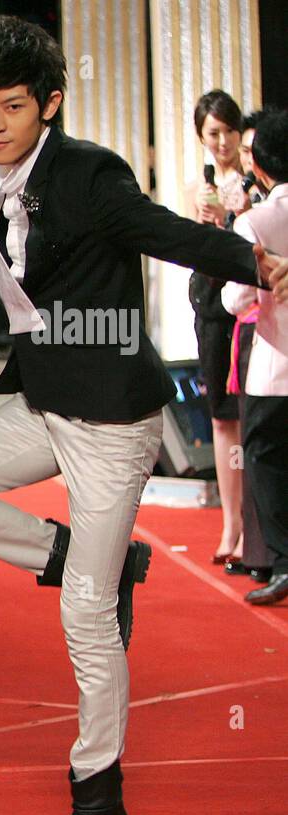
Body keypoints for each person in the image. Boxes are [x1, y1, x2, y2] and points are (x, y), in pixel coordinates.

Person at [0, 16, 286, 815]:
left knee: (85, 615)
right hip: (43, 402)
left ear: (50, 103)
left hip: (113, 421)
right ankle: (86, 557)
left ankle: (93, 806)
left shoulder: (87, 172)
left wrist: (253, 261)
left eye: (11, 107)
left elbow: (163, 229)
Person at [222, 109, 288, 605]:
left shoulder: (255, 221)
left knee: (267, 463)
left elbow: (237, 299)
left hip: (273, 365)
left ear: (261, 166)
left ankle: (283, 562)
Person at [187, 91, 250, 566]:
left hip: (250, 305)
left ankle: (254, 527)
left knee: (253, 417)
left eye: (229, 130)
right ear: (201, 138)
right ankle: (230, 524)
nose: (223, 141)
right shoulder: (198, 187)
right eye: (214, 133)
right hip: (211, 303)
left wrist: (238, 214)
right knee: (221, 417)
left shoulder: (254, 184)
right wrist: (208, 218)